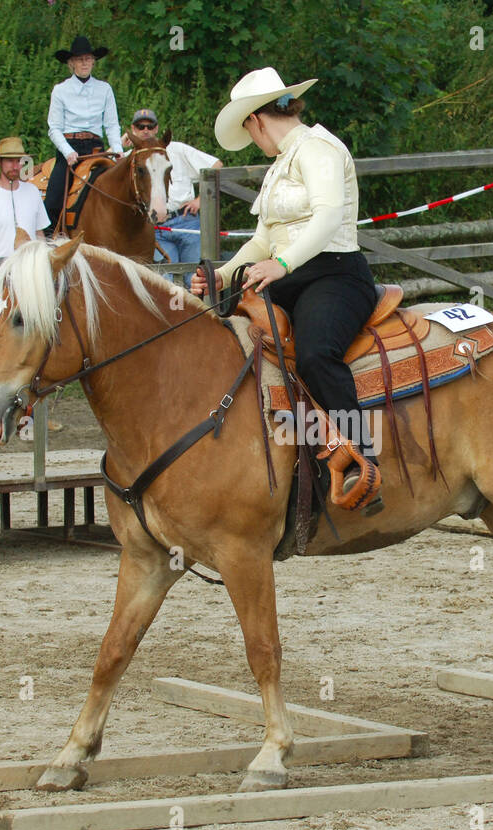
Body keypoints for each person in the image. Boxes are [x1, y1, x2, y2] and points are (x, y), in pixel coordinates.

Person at [190, 67, 381, 511]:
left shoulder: (319, 149)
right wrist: (223, 275)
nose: (253, 138)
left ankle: (361, 461)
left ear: (255, 120)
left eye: (248, 130)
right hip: (289, 276)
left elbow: (328, 217)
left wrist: (280, 264)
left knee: (315, 354)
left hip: (336, 275)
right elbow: (263, 238)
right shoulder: (281, 165)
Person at [0, 136, 58, 429]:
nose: (14, 165)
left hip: (28, 276)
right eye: (9, 161)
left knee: (31, 346)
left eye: (18, 161)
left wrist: (47, 271)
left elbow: (42, 236)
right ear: (0, 163)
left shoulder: (32, 194)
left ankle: (29, 416)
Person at [122, 108, 222, 276]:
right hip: (154, 227)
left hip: (186, 221)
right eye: (140, 126)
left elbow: (216, 166)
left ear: (156, 128)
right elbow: (104, 170)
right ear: (133, 130)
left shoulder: (177, 149)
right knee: (163, 283)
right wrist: (119, 142)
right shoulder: (130, 157)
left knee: (198, 279)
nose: (145, 130)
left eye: (149, 126)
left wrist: (201, 199)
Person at [44, 35, 122, 233]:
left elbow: (112, 125)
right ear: (71, 63)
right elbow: (54, 128)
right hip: (70, 149)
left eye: (88, 59)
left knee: (120, 189)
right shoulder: (60, 90)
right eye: (80, 59)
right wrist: (67, 152)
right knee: (53, 199)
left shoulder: (105, 89)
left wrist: (119, 151)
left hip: (96, 148)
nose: (84, 63)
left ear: (93, 61)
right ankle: (49, 242)